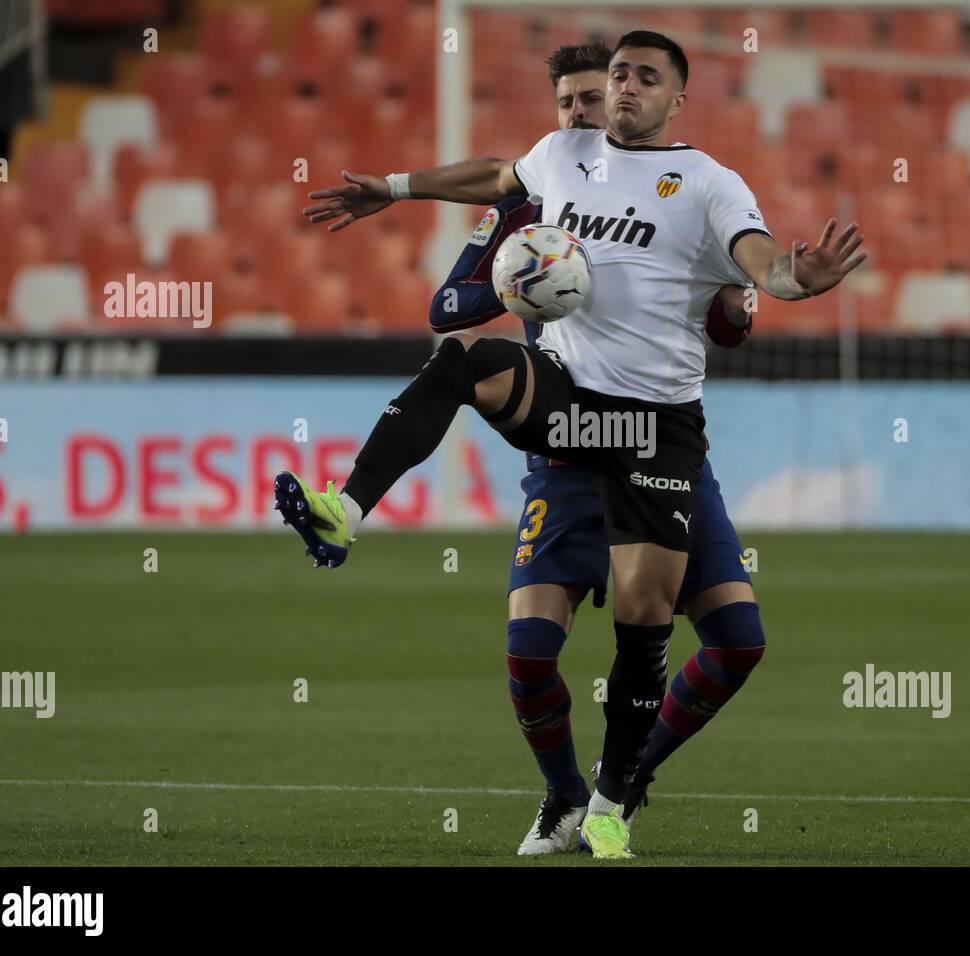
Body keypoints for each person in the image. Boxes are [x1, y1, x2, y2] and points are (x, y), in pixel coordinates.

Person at [286, 29, 865, 857]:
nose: (625, 87)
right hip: (567, 402)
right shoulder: (563, 152)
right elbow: (494, 175)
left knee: (643, 619)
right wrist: (398, 187)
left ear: (677, 98)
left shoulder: (706, 182)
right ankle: (345, 508)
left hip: (652, 427)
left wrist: (794, 280)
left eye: (645, 78)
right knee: (461, 360)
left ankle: (611, 795)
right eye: (620, 74)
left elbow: (759, 261)